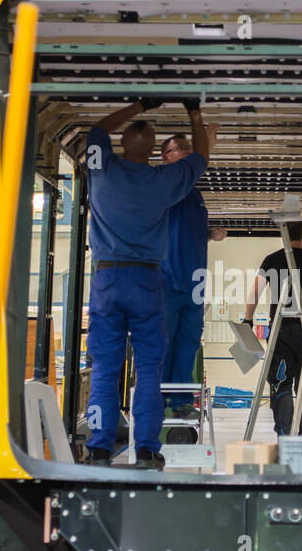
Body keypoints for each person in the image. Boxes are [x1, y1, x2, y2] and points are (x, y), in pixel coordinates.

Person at [83, 98, 210, 469]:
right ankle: (147, 451)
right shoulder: (163, 181)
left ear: (120, 145)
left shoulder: (100, 170)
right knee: (149, 368)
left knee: (105, 368)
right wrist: (194, 113)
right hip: (147, 281)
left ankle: (100, 449)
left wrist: (139, 104)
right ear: (155, 151)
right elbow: (200, 157)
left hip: (106, 278)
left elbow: (97, 130)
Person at [159, 132, 226, 419]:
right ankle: (157, 400)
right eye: (180, 149)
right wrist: (205, 142)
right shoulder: (164, 185)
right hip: (168, 281)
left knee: (188, 344)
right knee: (164, 344)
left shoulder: (194, 194)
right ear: (165, 157)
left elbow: (184, 232)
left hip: (195, 284)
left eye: (189, 147)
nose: (187, 152)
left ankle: (182, 400)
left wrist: (209, 234)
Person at [244, 221, 302, 436]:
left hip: (280, 330)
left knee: (281, 382)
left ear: (282, 234)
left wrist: (248, 320)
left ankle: (284, 433)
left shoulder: (271, 260)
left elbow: (254, 293)